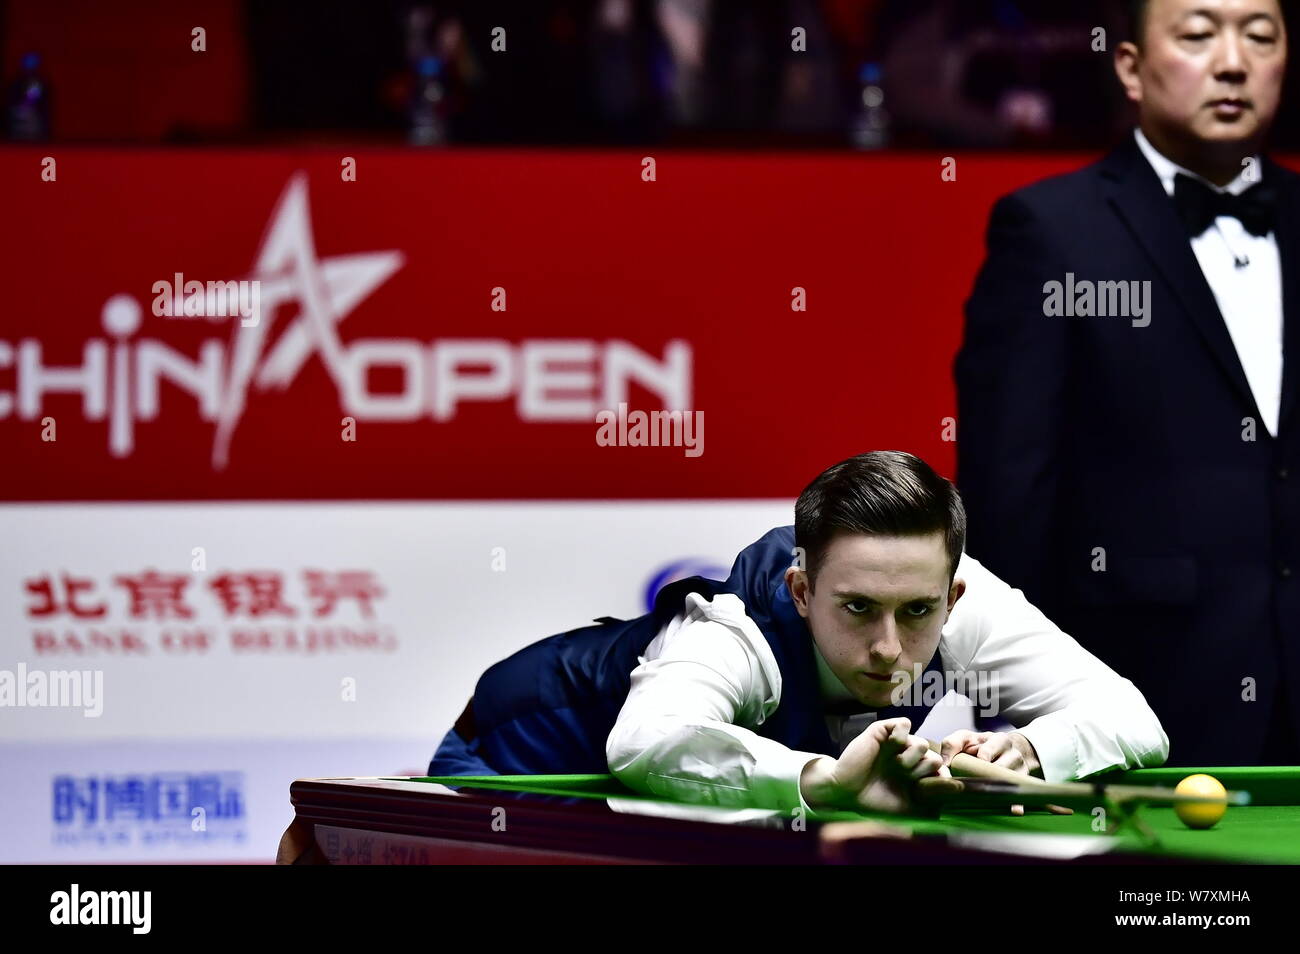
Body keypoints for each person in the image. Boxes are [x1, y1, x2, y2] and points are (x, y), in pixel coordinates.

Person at [428, 451, 1167, 813]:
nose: (888, 646)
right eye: (855, 609)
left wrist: (1031, 747)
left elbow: (1131, 718)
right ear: (802, 590)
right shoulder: (736, 629)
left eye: (918, 612)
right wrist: (823, 780)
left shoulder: (962, 602)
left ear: (953, 594)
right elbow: (643, 742)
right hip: (515, 757)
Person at [955, 0, 1299, 766]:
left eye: (1261, 35)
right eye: (1200, 34)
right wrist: (1029, 710)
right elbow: (1011, 485)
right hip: (1135, 693)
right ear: (1132, 68)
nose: (1234, 60)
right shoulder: (1051, 231)